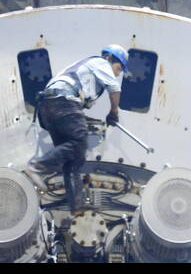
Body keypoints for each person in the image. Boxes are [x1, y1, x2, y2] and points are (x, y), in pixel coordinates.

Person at [24, 45, 128, 206]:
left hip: (49, 107)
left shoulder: (85, 70)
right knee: (79, 141)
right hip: (62, 101)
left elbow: (74, 111)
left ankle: (76, 206)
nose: (118, 73)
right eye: (119, 67)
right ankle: (37, 167)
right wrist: (113, 113)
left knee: (73, 160)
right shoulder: (101, 63)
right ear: (109, 58)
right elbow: (114, 88)